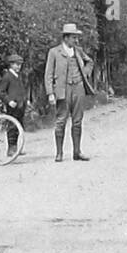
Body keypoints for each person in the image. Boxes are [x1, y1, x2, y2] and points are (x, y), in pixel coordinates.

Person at [44, 22, 95, 162]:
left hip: (78, 87)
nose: (76, 40)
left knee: (77, 121)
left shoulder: (78, 51)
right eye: (73, 37)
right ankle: (59, 153)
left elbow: (90, 62)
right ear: (66, 38)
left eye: (76, 38)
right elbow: (48, 74)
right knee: (61, 121)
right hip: (62, 89)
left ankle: (77, 152)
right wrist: (50, 93)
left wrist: (84, 73)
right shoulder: (54, 52)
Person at [0, 52, 27, 154]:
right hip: (12, 106)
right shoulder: (7, 76)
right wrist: (8, 101)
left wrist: (25, 99)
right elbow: (1, 91)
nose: (19, 67)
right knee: (12, 126)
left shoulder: (19, 76)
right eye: (17, 64)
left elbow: (22, 89)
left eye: (20, 65)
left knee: (19, 126)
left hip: (20, 105)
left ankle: (17, 147)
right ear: (11, 64)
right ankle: (11, 148)